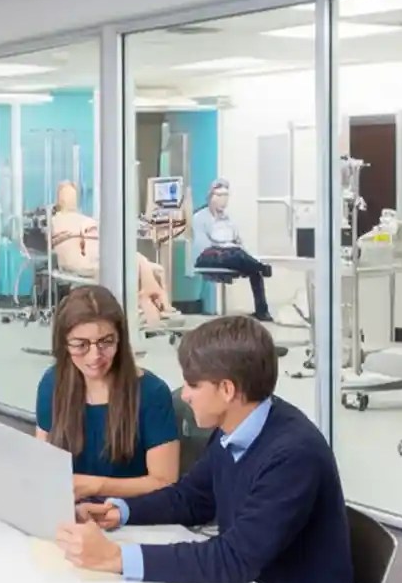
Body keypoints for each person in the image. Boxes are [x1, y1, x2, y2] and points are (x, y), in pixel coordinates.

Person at [58, 316, 359, 583]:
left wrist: (115, 557)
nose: (185, 395)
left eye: (192, 384)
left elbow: (234, 559)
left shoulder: (293, 455)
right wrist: (120, 511)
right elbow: (192, 498)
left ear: (227, 390)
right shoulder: (236, 427)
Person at [35, 285, 179, 500]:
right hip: (67, 510)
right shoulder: (52, 382)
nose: (95, 356)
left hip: (131, 517)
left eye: (106, 342)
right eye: (80, 345)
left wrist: (95, 486)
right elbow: (42, 462)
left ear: (120, 340)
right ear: (63, 344)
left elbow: (164, 481)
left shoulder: (151, 393)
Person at [50, 181, 179, 325]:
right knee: (135, 259)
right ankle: (145, 304)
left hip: (95, 255)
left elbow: (94, 242)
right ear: (60, 198)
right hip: (83, 262)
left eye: (73, 195)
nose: (71, 199)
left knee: (153, 267)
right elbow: (77, 249)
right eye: (67, 195)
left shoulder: (83, 219)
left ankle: (161, 306)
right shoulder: (57, 220)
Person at [191, 178, 274, 322]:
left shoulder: (228, 219)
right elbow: (202, 245)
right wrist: (225, 247)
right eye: (220, 196)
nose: (224, 200)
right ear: (212, 197)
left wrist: (235, 248)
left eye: (226, 196)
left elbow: (237, 240)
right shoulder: (200, 217)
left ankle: (262, 311)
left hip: (230, 254)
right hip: (208, 255)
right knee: (237, 256)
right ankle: (259, 266)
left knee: (251, 267)